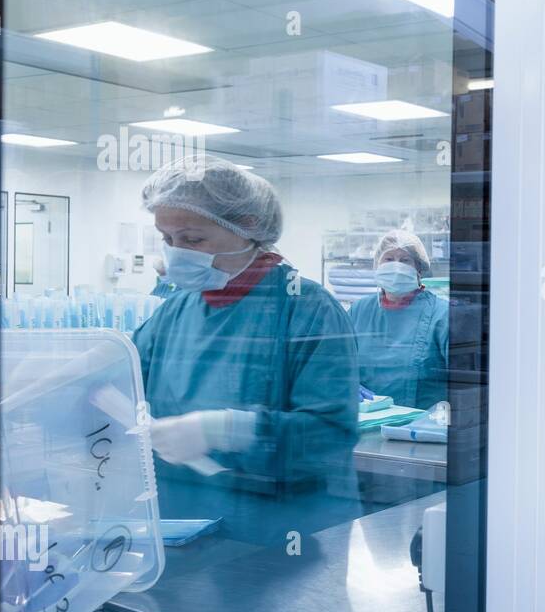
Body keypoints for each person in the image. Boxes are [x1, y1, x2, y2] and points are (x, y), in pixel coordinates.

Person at [134, 156, 360, 548]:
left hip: (280, 531)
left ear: (248, 226)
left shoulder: (306, 307)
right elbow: (124, 373)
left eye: (193, 239)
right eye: (167, 239)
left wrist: (222, 429)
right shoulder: (177, 309)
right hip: (182, 524)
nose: (176, 253)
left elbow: (330, 434)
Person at [348, 229, 448, 410]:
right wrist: (345, 386)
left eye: (404, 260)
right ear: (377, 265)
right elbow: (335, 363)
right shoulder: (359, 311)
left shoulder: (442, 315)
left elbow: (467, 380)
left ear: (419, 269)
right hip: (366, 422)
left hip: (422, 426)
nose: (396, 266)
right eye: (388, 259)